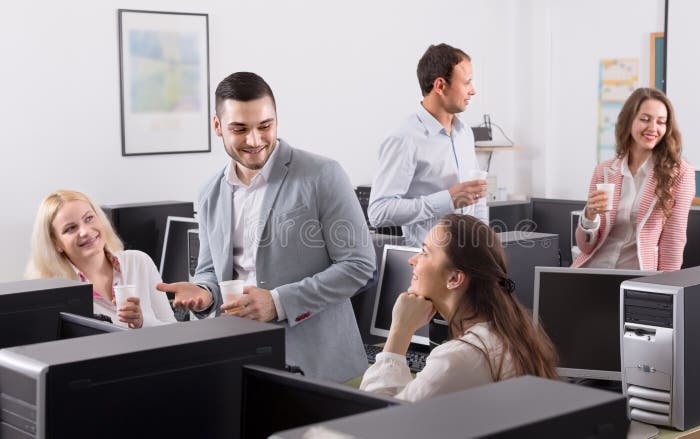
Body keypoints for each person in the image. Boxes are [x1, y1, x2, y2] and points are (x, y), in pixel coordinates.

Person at [156, 72, 375, 382]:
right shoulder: (210, 193)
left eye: (265, 126)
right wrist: (204, 293)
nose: (255, 140)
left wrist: (278, 303)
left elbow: (359, 265)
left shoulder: (323, 174)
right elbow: (211, 271)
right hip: (241, 361)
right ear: (218, 127)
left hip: (322, 366)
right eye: (240, 129)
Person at [360, 214, 559, 401]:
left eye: (425, 252)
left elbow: (375, 423)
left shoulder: (457, 359)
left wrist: (399, 332)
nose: (412, 260)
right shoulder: (511, 331)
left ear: (454, 279)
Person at [368, 43, 488, 248]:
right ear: (440, 86)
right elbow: (379, 213)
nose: (473, 90)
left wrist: (485, 245)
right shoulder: (404, 138)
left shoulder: (465, 133)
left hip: (470, 257)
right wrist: (447, 199)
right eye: (467, 82)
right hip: (429, 262)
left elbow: (475, 199)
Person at [572, 87, 696, 271]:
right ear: (629, 121)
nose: (653, 128)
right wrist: (589, 216)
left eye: (661, 122)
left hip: (636, 278)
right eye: (645, 119)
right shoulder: (605, 171)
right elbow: (585, 247)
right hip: (592, 270)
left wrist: (665, 288)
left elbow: (674, 241)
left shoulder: (680, 174)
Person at [26, 190, 177, 328]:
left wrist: (142, 322)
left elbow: (173, 332)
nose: (85, 231)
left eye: (89, 218)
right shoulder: (54, 293)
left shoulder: (139, 262)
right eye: (70, 228)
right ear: (56, 243)